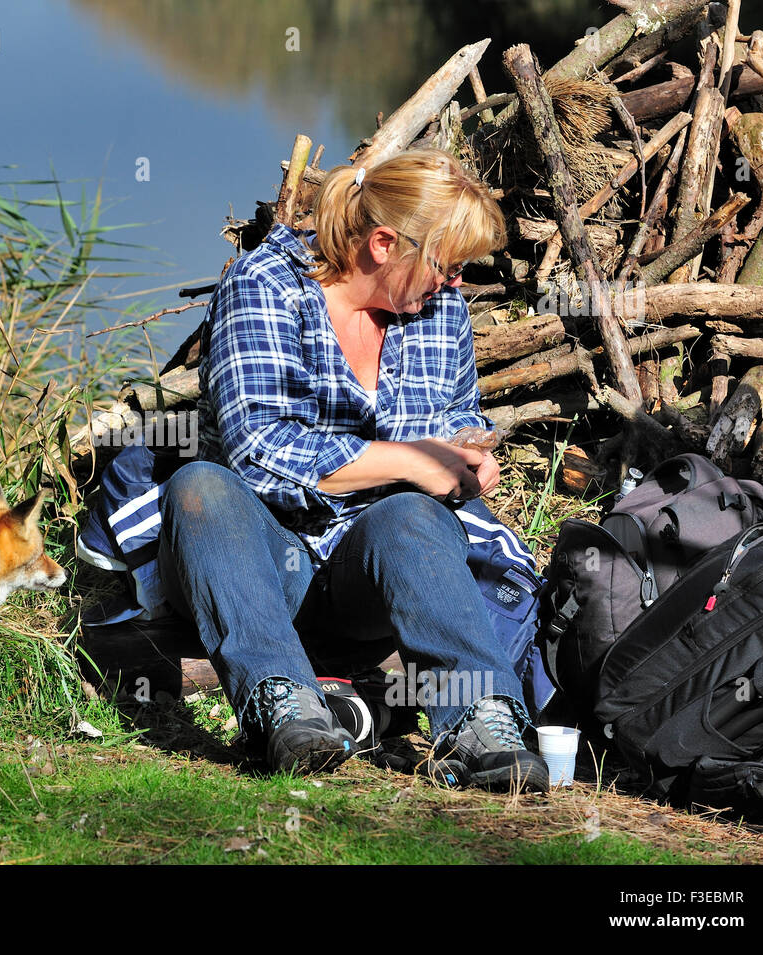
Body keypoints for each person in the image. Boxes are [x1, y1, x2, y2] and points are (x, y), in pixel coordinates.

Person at [156, 148, 550, 791]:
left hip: (365, 572)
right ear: (383, 244)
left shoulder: (440, 311)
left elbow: (457, 419)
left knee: (413, 517)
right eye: (444, 266)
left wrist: (467, 465)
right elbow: (257, 448)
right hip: (256, 557)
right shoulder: (265, 286)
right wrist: (412, 460)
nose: (453, 285)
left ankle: (480, 723)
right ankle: (284, 708)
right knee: (200, 487)